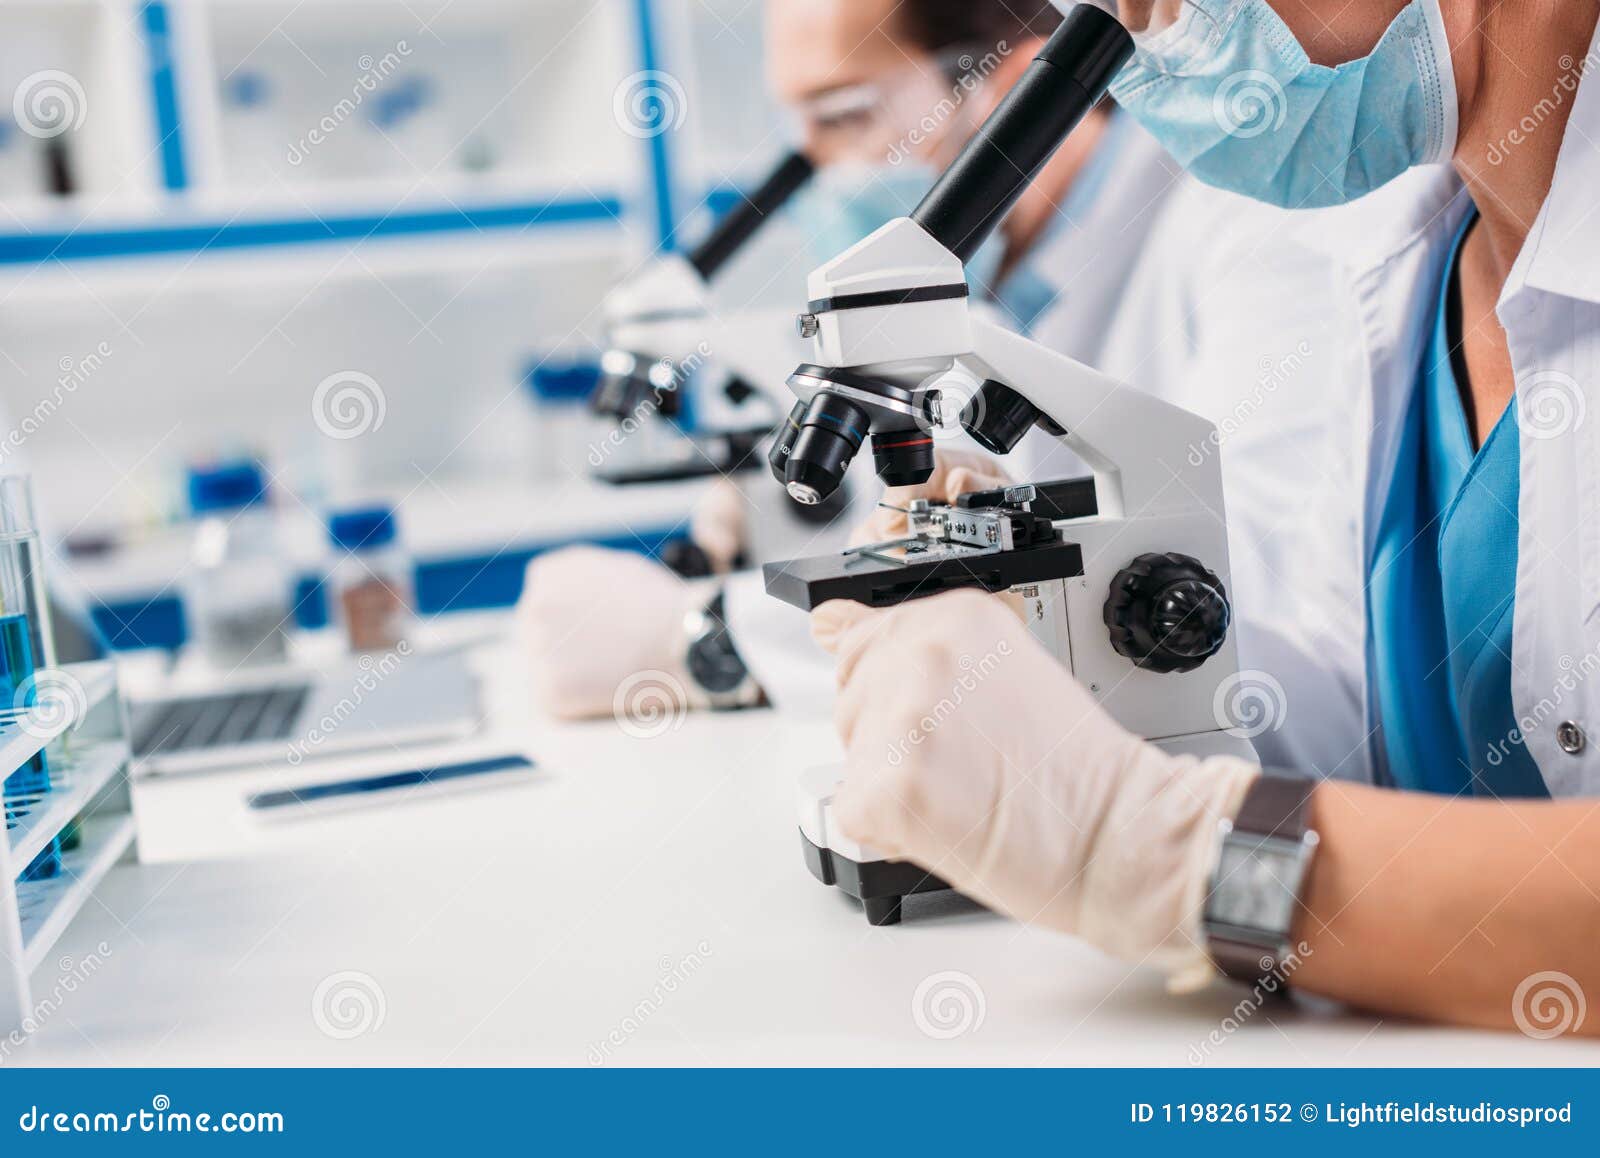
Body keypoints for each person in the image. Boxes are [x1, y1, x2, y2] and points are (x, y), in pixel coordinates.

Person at [812, 0, 1600, 1034]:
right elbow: (1365, 724)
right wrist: (1070, 664)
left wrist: (1159, 849)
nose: (1131, 16)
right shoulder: (1402, 255)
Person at [515, 0, 1193, 720]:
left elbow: (1234, 612)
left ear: (1011, 85)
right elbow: (930, 529)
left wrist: (704, 639)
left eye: (841, 116)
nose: (817, 174)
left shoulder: (1209, 235)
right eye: (796, 134)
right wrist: (788, 523)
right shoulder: (987, 271)